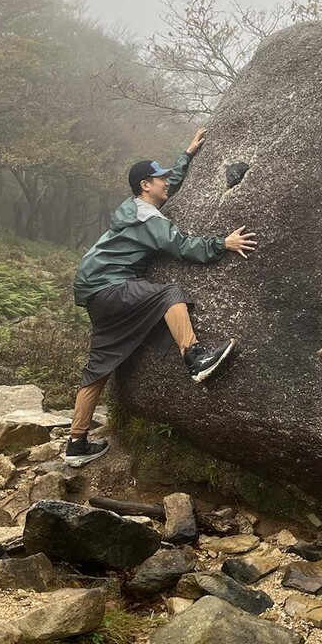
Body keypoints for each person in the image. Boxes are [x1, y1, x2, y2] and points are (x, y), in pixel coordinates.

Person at [64, 126, 256, 465]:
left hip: (97, 295)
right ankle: (194, 358)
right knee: (170, 294)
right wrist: (222, 244)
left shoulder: (133, 208)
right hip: (113, 286)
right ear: (145, 185)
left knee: (98, 369)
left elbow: (168, 190)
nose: (166, 182)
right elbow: (181, 246)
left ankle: (76, 445)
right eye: (160, 178)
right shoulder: (148, 218)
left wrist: (187, 155)